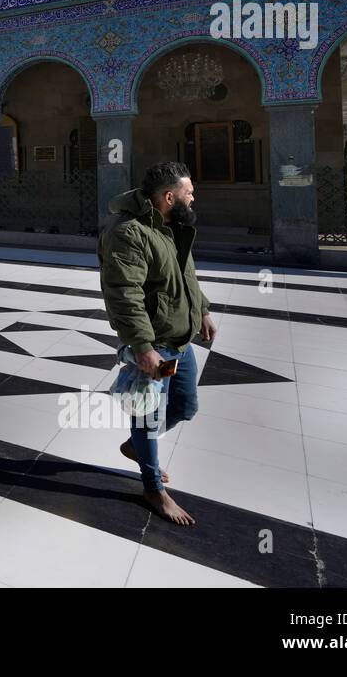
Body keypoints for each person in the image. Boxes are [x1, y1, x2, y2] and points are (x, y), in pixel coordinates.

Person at [98, 161, 217, 526]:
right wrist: (142, 346)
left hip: (179, 340)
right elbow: (124, 293)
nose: (193, 197)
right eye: (188, 192)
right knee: (148, 417)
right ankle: (153, 488)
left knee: (184, 405)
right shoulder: (129, 233)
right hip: (156, 343)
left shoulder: (172, 225)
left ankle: (136, 447)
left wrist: (203, 310)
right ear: (169, 196)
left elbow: (186, 274)